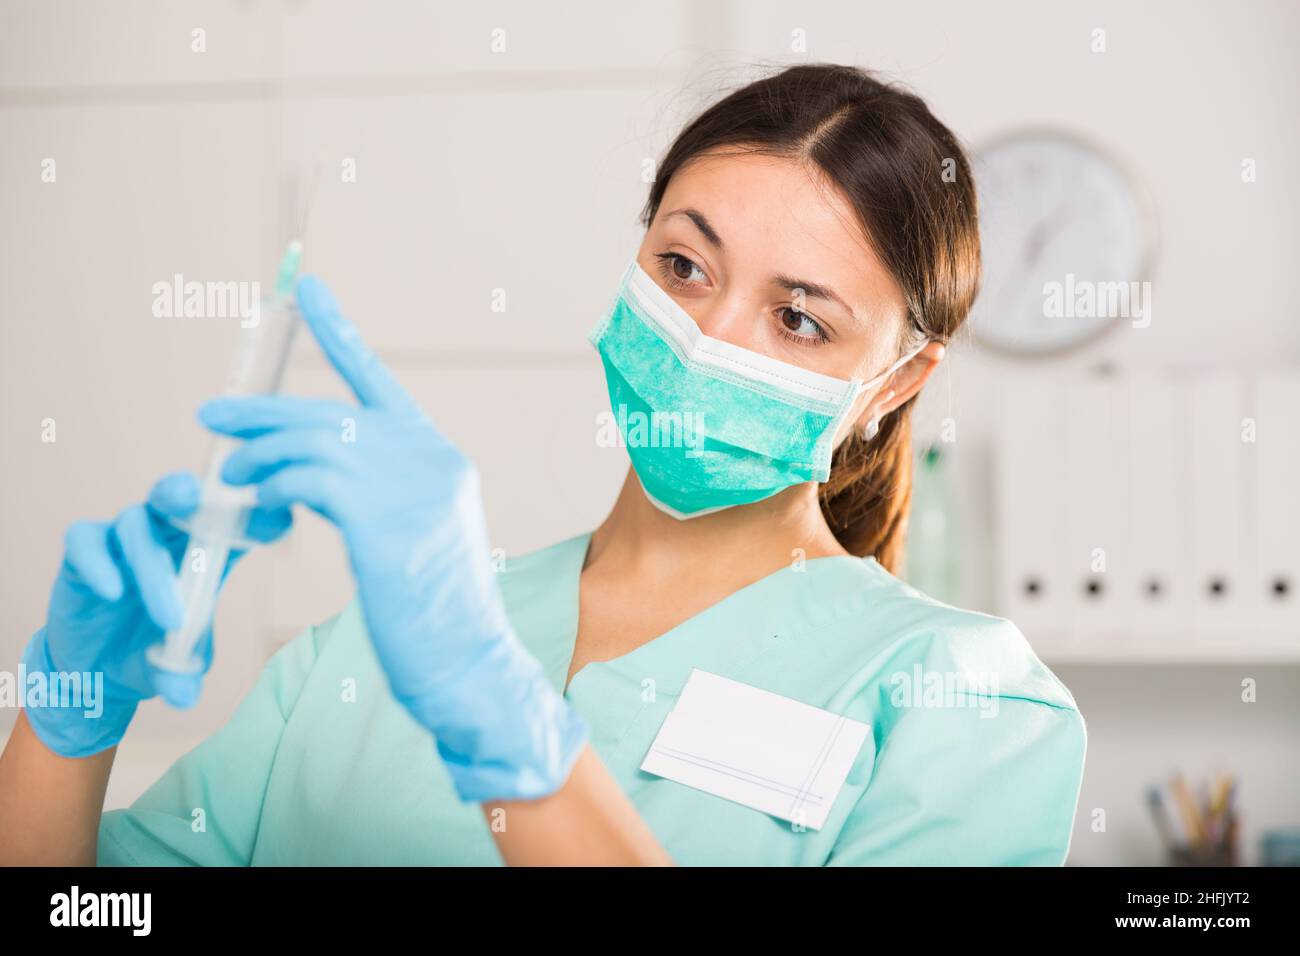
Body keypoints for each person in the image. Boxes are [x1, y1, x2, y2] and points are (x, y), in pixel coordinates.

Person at [0, 63, 1085, 866]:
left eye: (798, 318)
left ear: (894, 382)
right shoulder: (371, 648)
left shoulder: (963, 706)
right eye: (684, 264)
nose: (707, 336)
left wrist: (502, 724)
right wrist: (65, 715)